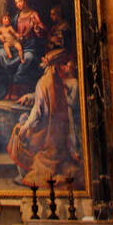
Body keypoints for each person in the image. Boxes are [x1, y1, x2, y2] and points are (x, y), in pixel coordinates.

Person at [9, 49, 81, 186]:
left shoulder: (43, 82)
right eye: (62, 65)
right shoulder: (58, 83)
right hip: (59, 136)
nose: (63, 67)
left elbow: (38, 113)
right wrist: (30, 98)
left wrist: (25, 127)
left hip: (46, 137)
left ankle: (25, 172)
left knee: (18, 131)